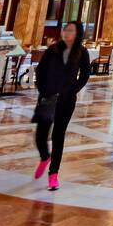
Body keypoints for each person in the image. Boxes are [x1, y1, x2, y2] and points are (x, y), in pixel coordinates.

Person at [33, 20, 91, 190]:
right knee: (41, 135)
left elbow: (86, 74)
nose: (66, 32)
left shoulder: (82, 52)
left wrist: (74, 89)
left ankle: (53, 173)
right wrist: (43, 89)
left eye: (71, 30)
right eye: (66, 29)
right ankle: (45, 157)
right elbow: (41, 70)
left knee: (58, 135)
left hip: (66, 99)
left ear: (77, 33)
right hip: (48, 96)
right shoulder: (53, 49)